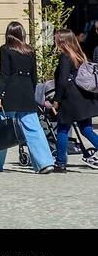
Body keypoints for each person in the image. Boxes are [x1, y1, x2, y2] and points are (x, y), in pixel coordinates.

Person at [0, 21, 54, 174]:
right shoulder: (30, 50)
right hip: (26, 90)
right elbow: (34, 76)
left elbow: (5, 74)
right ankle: (45, 162)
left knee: (2, 128)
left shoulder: (5, 49)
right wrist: (31, 92)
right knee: (33, 128)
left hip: (11, 90)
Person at [50, 29, 98, 172]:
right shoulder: (80, 55)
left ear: (62, 41)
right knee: (87, 129)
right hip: (83, 97)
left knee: (63, 130)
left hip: (70, 99)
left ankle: (60, 163)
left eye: (56, 39)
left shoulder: (65, 56)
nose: (55, 41)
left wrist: (56, 100)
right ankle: (60, 162)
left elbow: (62, 81)